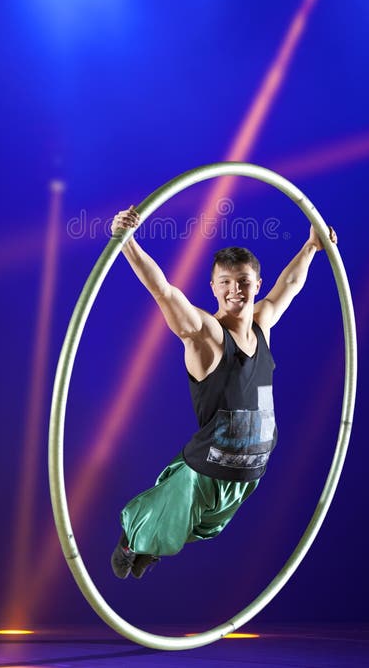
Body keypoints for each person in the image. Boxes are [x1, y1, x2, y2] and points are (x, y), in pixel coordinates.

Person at [110, 204, 337, 579]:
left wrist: (312, 247)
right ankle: (132, 543)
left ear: (256, 285)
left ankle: (156, 542)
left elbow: (290, 286)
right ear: (213, 287)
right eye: (226, 282)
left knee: (202, 530)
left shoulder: (263, 323)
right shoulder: (209, 337)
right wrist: (127, 242)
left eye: (244, 281)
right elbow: (164, 292)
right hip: (204, 471)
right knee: (158, 523)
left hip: (248, 474)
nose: (236, 289)